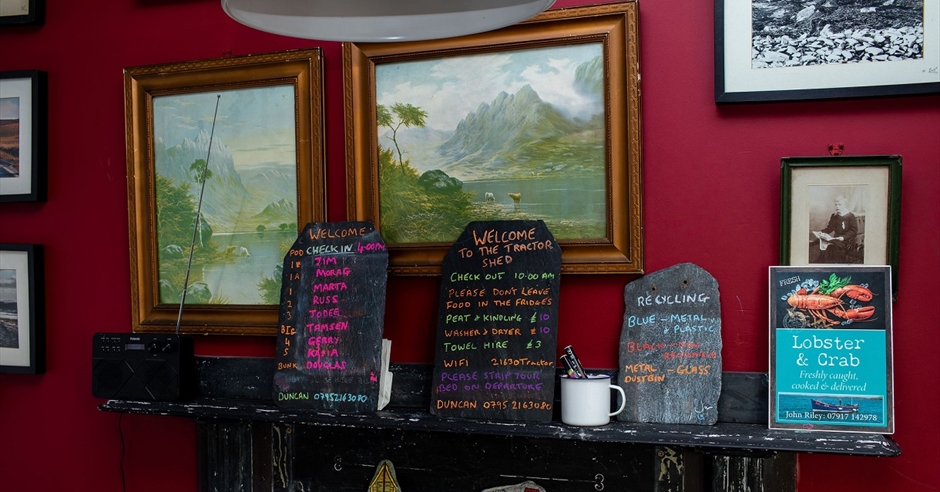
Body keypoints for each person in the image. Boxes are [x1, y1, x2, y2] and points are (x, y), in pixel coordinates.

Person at [812, 195, 858, 263]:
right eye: (836, 205)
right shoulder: (834, 216)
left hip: (846, 241)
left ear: (845, 205)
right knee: (825, 247)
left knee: (834, 249)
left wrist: (843, 237)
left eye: (840, 204)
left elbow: (853, 230)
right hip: (836, 239)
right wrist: (821, 232)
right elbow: (830, 228)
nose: (837, 206)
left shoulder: (850, 216)